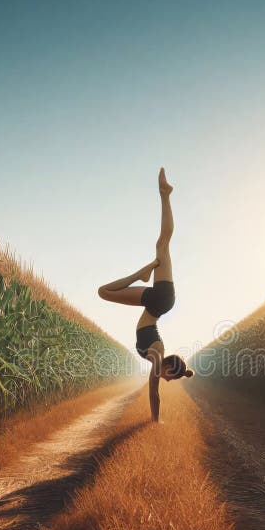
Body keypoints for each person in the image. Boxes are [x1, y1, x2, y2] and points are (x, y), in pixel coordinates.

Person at [98, 167, 194, 422]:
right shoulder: (157, 356)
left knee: (104, 292)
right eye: (172, 377)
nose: (168, 381)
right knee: (162, 244)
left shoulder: (158, 354)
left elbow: (156, 389)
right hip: (160, 301)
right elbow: (154, 393)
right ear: (169, 369)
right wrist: (156, 421)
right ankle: (165, 195)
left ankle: (140, 273)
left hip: (157, 302)